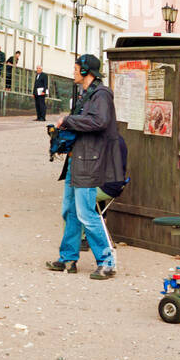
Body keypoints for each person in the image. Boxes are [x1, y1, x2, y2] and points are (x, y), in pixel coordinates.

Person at [45, 54, 123, 280]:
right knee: (70, 211)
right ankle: (68, 259)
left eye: (76, 68)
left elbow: (100, 122)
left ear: (86, 71)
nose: (73, 72)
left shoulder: (101, 94)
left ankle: (107, 262)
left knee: (86, 213)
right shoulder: (86, 94)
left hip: (90, 161)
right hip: (77, 159)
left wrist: (68, 121)